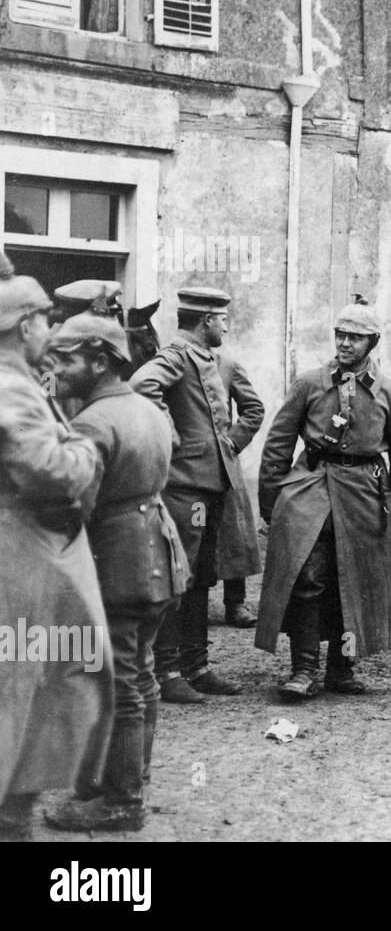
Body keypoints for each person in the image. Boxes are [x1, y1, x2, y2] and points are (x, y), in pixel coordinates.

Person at [43, 314, 189, 833]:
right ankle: (124, 782)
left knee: (121, 683)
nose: (56, 367)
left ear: (101, 361)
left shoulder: (93, 423)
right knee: (139, 677)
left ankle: (122, 800)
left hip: (117, 562)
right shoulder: (146, 408)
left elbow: (72, 507)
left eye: (67, 359)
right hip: (158, 556)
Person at [0, 255, 112, 841]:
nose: (53, 331)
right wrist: (86, 452)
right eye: (46, 320)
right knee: (21, 684)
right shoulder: (12, 386)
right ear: (26, 327)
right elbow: (47, 470)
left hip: (21, 553)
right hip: (17, 556)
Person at [256, 302, 391, 701]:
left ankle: (341, 669)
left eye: (355, 337)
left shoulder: (390, 393)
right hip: (310, 489)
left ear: (373, 342)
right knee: (308, 578)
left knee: (355, 583)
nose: (345, 343)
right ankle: (304, 669)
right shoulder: (310, 383)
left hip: (364, 495)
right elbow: (278, 443)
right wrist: (271, 502)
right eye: (340, 335)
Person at [130, 287, 246, 703]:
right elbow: (142, 384)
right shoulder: (178, 354)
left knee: (200, 578)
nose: (226, 326)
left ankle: (197, 666)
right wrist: (169, 431)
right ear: (205, 321)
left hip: (208, 487)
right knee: (180, 578)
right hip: (187, 491)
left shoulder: (205, 357)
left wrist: (228, 444)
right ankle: (168, 671)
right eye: (222, 319)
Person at [214, 352, 265, 628]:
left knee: (234, 531)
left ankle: (235, 602)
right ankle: (187, 603)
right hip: (187, 463)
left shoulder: (228, 366)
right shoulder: (174, 365)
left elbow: (254, 409)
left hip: (222, 462)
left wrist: (232, 442)